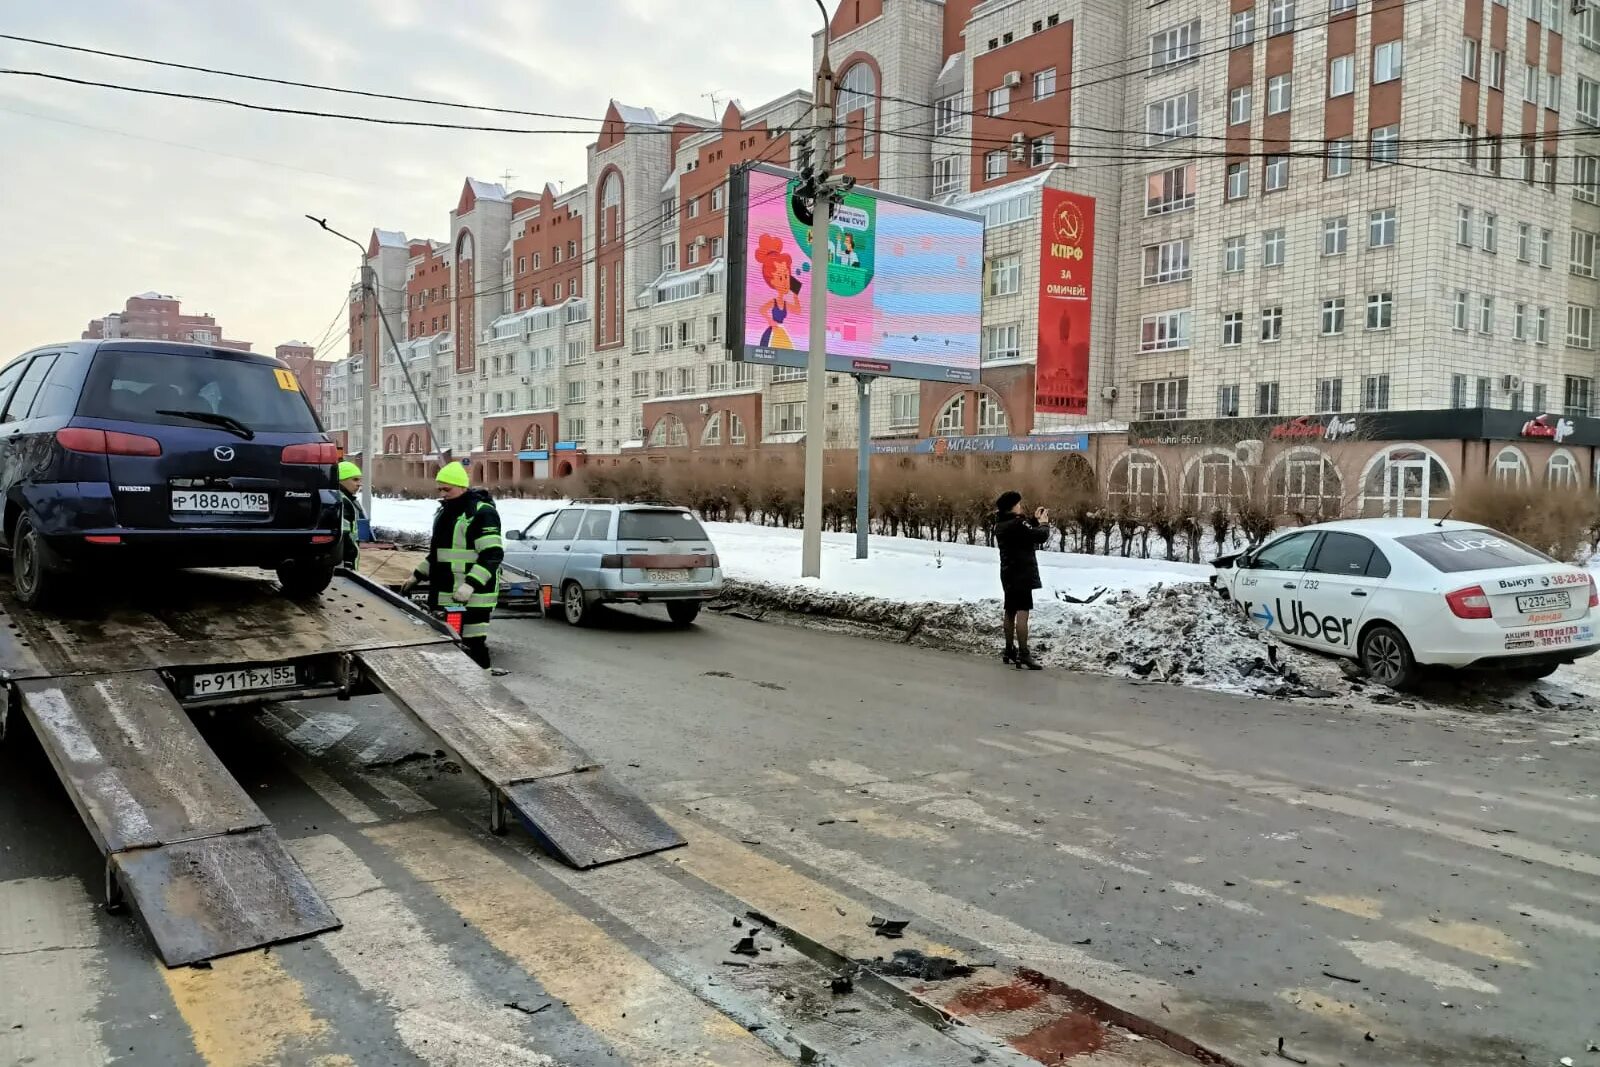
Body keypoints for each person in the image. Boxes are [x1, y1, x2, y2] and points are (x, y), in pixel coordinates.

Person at [403, 461, 503, 670]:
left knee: (473, 644)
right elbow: (438, 555)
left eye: (446, 488)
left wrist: (470, 585)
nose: (442, 493)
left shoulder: (481, 512)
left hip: (475, 597)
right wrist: (417, 575)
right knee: (447, 646)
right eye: (439, 489)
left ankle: (483, 688)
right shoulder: (445, 513)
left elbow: (492, 554)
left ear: (461, 486)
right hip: (446, 593)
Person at [993, 491, 1049, 670]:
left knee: (1009, 610)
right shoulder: (1017, 523)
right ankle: (1024, 653)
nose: (1021, 506)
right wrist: (1044, 523)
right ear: (1013, 506)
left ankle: (1009, 649)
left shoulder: (1001, 523)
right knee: (1023, 613)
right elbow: (1039, 536)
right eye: (1018, 503)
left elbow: (1024, 532)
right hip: (1022, 573)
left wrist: (1032, 521)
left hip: (1008, 572)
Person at [336, 460, 365, 571]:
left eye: (360, 479)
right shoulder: (343, 502)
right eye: (355, 479)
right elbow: (344, 535)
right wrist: (349, 558)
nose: (359, 484)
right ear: (342, 480)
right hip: (344, 563)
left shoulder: (343, 498)